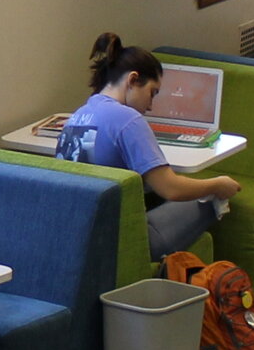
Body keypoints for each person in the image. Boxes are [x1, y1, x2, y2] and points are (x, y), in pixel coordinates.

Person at [53, 34, 244, 258]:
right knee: (214, 197)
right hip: (123, 241)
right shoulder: (128, 120)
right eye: (152, 92)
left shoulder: (78, 115)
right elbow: (171, 189)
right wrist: (217, 185)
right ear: (133, 80)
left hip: (76, 233)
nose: (151, 106)